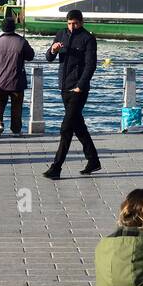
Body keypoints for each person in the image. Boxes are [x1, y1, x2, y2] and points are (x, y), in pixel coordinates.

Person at [42, 9, 100, 180]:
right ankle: (93, 160)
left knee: (66, 128)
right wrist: (52, 50)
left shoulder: (88, 39)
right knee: (78, 126)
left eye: (75, 23)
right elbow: (49, 58)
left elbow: (91, 65)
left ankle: (56, 167)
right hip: (63, 87)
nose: (72, 27)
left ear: (81, 22)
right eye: (69, 23)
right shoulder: (61, 34)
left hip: (78, 90)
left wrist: (81, 86)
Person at [0, 14, 34, 137]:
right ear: (14, 27)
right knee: (16, 107)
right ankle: (16, 130)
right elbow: (30, 56)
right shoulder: (21, 42)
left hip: (0, 81)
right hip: (17, 81)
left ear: (2, 28)